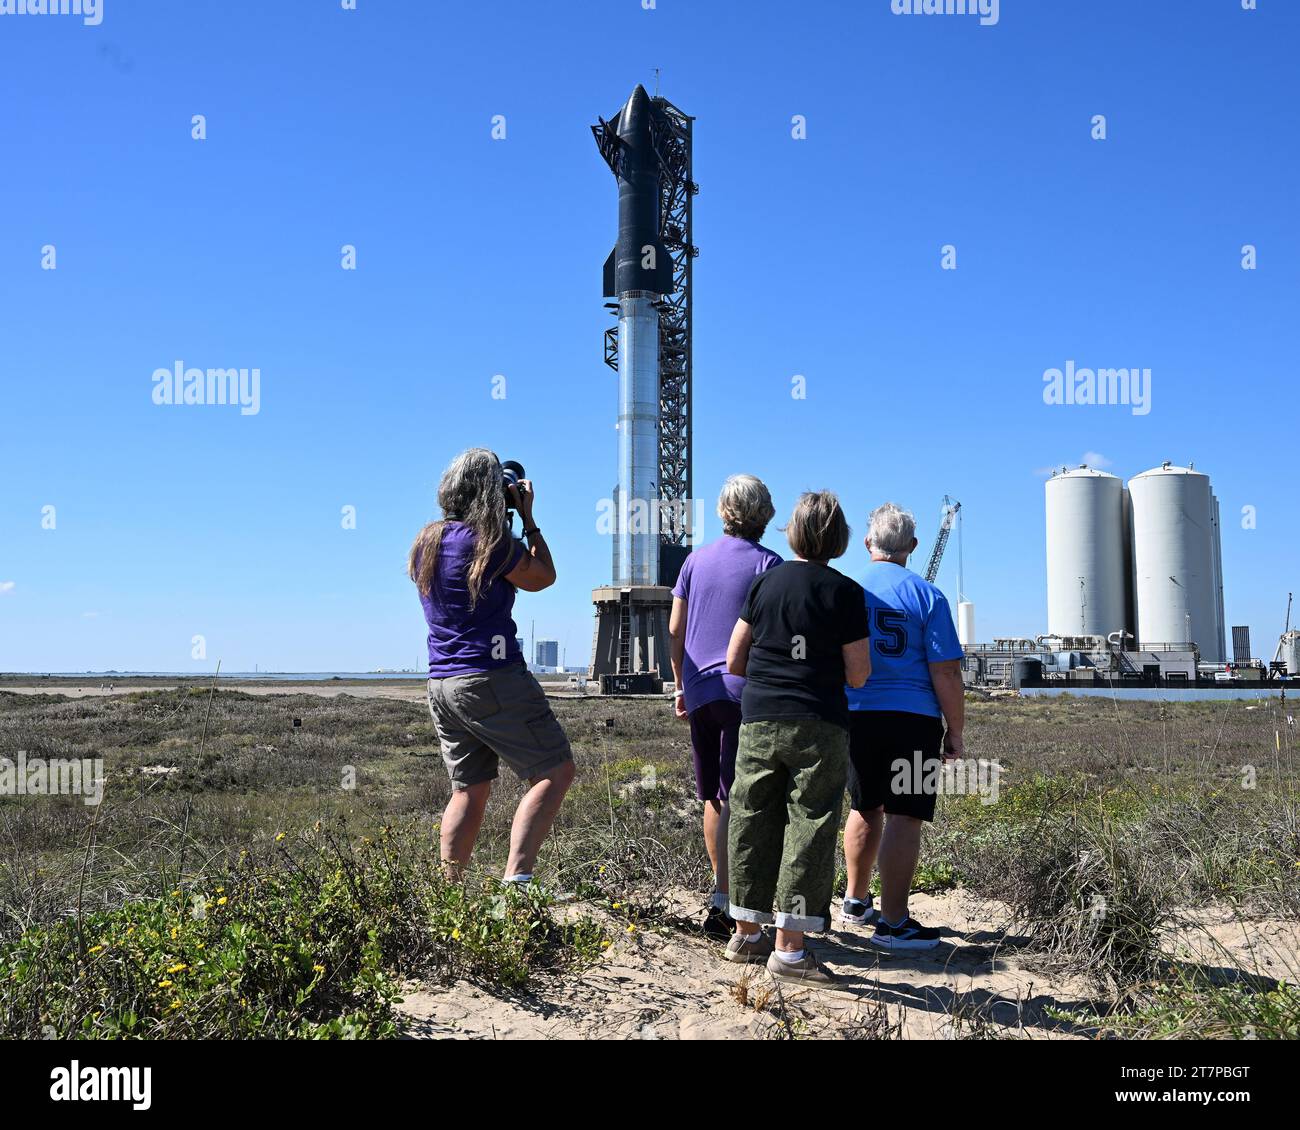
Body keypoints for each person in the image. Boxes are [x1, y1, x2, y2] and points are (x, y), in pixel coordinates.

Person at [723, 491, 872, 987]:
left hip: (760, 717)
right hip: (819, 721)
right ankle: (790, 950)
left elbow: (734, 661)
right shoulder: (845, 592)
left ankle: (746, 932)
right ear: (840, 539)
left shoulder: (765, 583)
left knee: (751, 816)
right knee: (810, 823)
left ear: (792, 532)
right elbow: (857, 675)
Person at [409, 448, 575, 885]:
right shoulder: (489, 542)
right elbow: (542, 576)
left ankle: (450, 893)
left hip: (442, 682)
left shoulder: (427, 539)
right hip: (491, 676)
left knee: (468, 789)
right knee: (554, 770)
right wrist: (529, 518)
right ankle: (517, 885)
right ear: (490, 492)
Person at [840, 502, 965, 951]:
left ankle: (854, 900)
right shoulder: (928, 596)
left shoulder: (848, 588)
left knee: (863, 805)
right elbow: (946, 672)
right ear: (912, 547)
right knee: (905, 815)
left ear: (868, 542)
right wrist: (956, 731)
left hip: (856, 713)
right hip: (913, 718)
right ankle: (893, 922)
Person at [669, 475, 782, 938]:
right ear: (766, 514)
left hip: (700, 691)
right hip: (746, 693)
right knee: (748, 797)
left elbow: (675, 630)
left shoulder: (694, 563)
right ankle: (742, 904)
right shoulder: (768, 563)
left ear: (722, 512)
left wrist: (680, 684)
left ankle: (720, 898)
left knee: (713, 795)